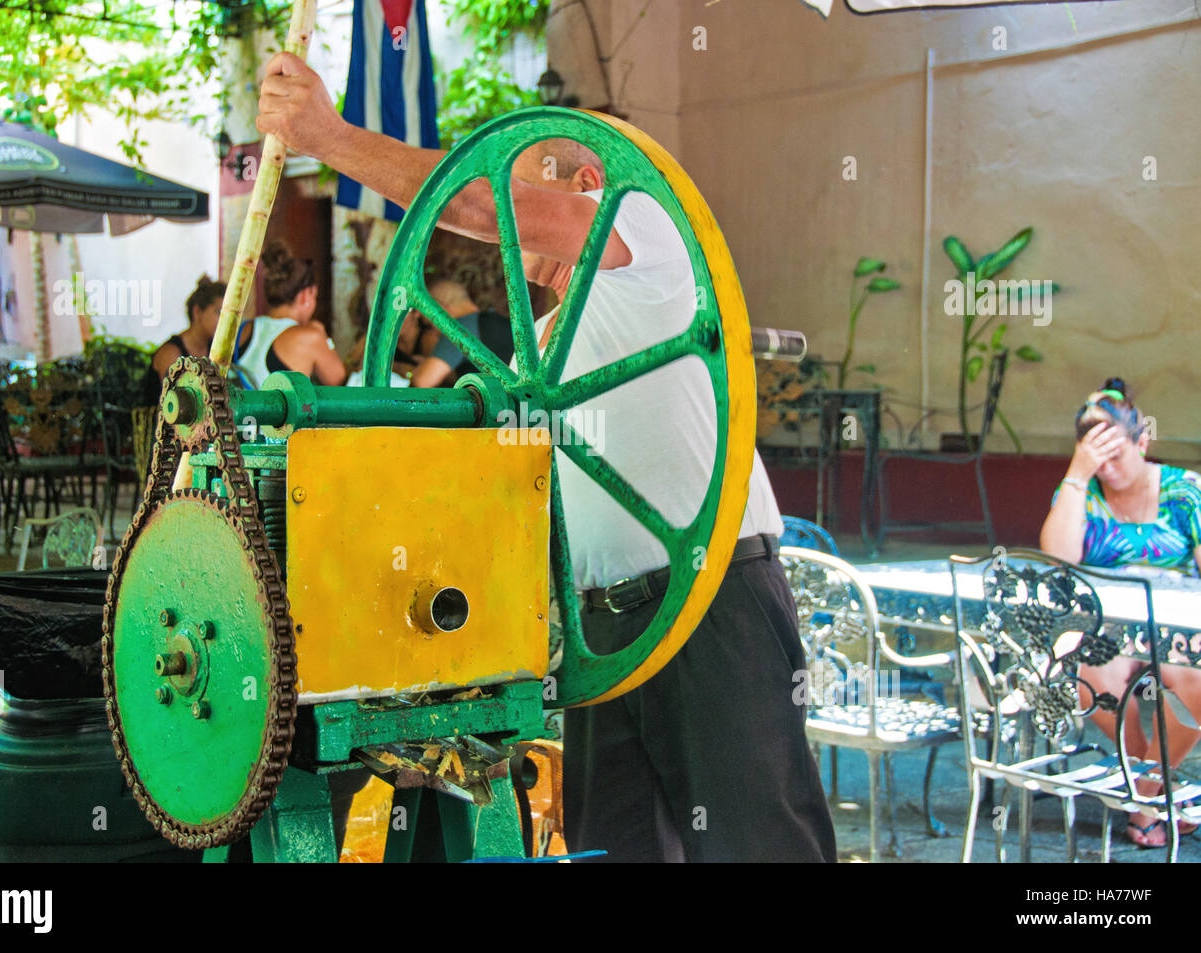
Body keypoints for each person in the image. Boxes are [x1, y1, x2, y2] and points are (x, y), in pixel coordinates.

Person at [256, 53, 836, 862]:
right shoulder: (554, 338)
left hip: (711, 604)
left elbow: (475, 199)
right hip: (607, 629)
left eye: (534, 206)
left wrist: (331, 137)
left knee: (759, 844)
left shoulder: (648, 224)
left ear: (588, 177)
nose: (526, 250)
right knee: (615, 845)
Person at [1039, 378, 1201, 847]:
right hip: (1106, 622)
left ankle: (1144, 792)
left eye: (1118, 454)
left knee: (1195, 683)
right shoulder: (1080, 492)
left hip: (1176, 620)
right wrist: (1078, 472)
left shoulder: (1184, 490)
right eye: (1097, 457)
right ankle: (1148, 790)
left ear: (1143, 440)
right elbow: (1061, 559)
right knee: (1093, 681)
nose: (1108, 469)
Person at [233, 242, 347, 387]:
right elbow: (342, 386)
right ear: (307, 295)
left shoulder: (244, 328)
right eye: (315, 296)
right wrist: (324, 337)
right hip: (271, 411)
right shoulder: (310, 337)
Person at [408, 279, 514, 388]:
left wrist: (406, 370)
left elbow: (421, 382)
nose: (434, 333)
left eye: (429, 326)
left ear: (438, 308)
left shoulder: (459, 329)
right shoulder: (493, 320)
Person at [143, 275, 226, 402]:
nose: (225, 321)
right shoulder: (170, 353)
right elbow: (180, 403)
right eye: (219, 312)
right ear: (197, 312)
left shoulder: (215, 350)